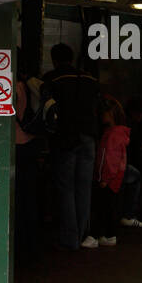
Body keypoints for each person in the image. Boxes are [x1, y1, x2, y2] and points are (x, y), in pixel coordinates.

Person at [42, 43, 100, 250]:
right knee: (84, 188)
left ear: (54, 59)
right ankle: (84, 235)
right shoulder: (90, 79)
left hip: (64, 138)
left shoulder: (52, 79)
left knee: (66, 189)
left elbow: (46, 110)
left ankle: (70, 239)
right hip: (88, 136)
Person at [90, 99, 131, 248]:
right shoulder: (119, 133)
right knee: (110, 207)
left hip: (107, 177)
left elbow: (108, 158)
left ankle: (96, 235)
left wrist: (103, 177)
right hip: (115, 177)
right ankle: (109, 234)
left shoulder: (111, 134)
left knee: (102, 207)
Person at [13, 67, 44, 259]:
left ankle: (18, 245)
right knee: (29, 198)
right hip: (29, 144)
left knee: (14, 199)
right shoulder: (27, 87)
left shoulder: (5, 87)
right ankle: (30, 246)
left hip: (10, 145)